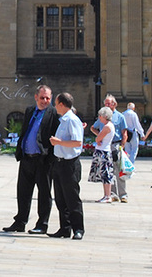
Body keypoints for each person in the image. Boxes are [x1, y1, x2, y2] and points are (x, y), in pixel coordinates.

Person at [3, 86, 53, 234]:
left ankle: (42, 224)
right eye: (42, 97)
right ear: (36, 97)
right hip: (27, 158)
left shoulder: (53, 113)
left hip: (42, 160)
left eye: (48, 98)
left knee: (44, 193)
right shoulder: (30, 111)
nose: (45, 101)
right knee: (23, 192)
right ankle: (20, 222)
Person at [46, 91, 85, 239]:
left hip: (70, 164)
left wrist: (59, 142)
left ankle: (78, 229)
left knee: (72, 198)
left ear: (62, 104)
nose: (55, 107)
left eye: (56, 104)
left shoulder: (72, 120)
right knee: (60, 198)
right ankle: (64, 228)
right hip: (59, 163)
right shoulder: (63, 120)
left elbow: (77, 142)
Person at [88, 106, 116, 203]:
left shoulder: (107, 126)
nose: (99, 117)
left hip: (103, 152)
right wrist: (99, 139)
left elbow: (97, 138)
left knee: (106, 174)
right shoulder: (109, 125)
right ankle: (106, 195)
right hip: (104, 150)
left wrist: (98, 139)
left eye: (100, 116)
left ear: (105, 116)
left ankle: (107, 196)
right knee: (105, 174)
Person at [122, 102, 142, 166]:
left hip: (126, 133)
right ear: (133, 108)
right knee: (134, 149)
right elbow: (137, 125)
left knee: (127, 150)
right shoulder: (133, 114)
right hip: (133, 133)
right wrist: (142, 133)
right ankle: (131, 164)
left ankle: (127, 164)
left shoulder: (123, 114)